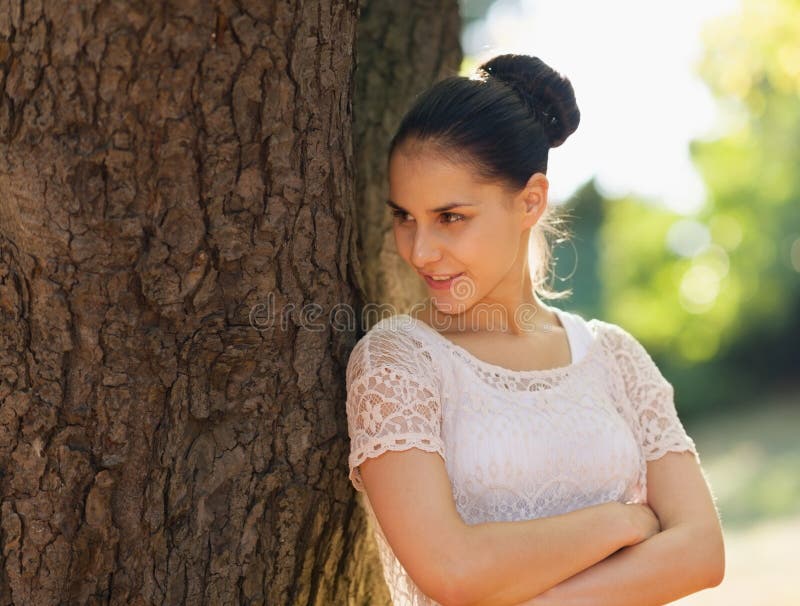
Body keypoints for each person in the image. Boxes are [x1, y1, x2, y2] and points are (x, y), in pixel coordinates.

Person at [345, 54, 724, 606]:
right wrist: (619, 524)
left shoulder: (613, 357)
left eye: (450, 217)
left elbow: (702, 554)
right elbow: (452, 571)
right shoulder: (396, 364)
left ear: (531, 201)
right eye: (404, 217)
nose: (420, 251)